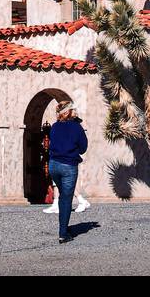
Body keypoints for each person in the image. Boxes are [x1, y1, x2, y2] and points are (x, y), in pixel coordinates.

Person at [47, 102, 88, 243]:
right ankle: (63, 233)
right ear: (69, 112)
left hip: (53, 165)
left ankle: (64, 227)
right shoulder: (77, 127)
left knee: (63, 195)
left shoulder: (54, 127)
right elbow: (83, 148)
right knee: (66, 198)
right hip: (68, 166)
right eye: (73, 109)